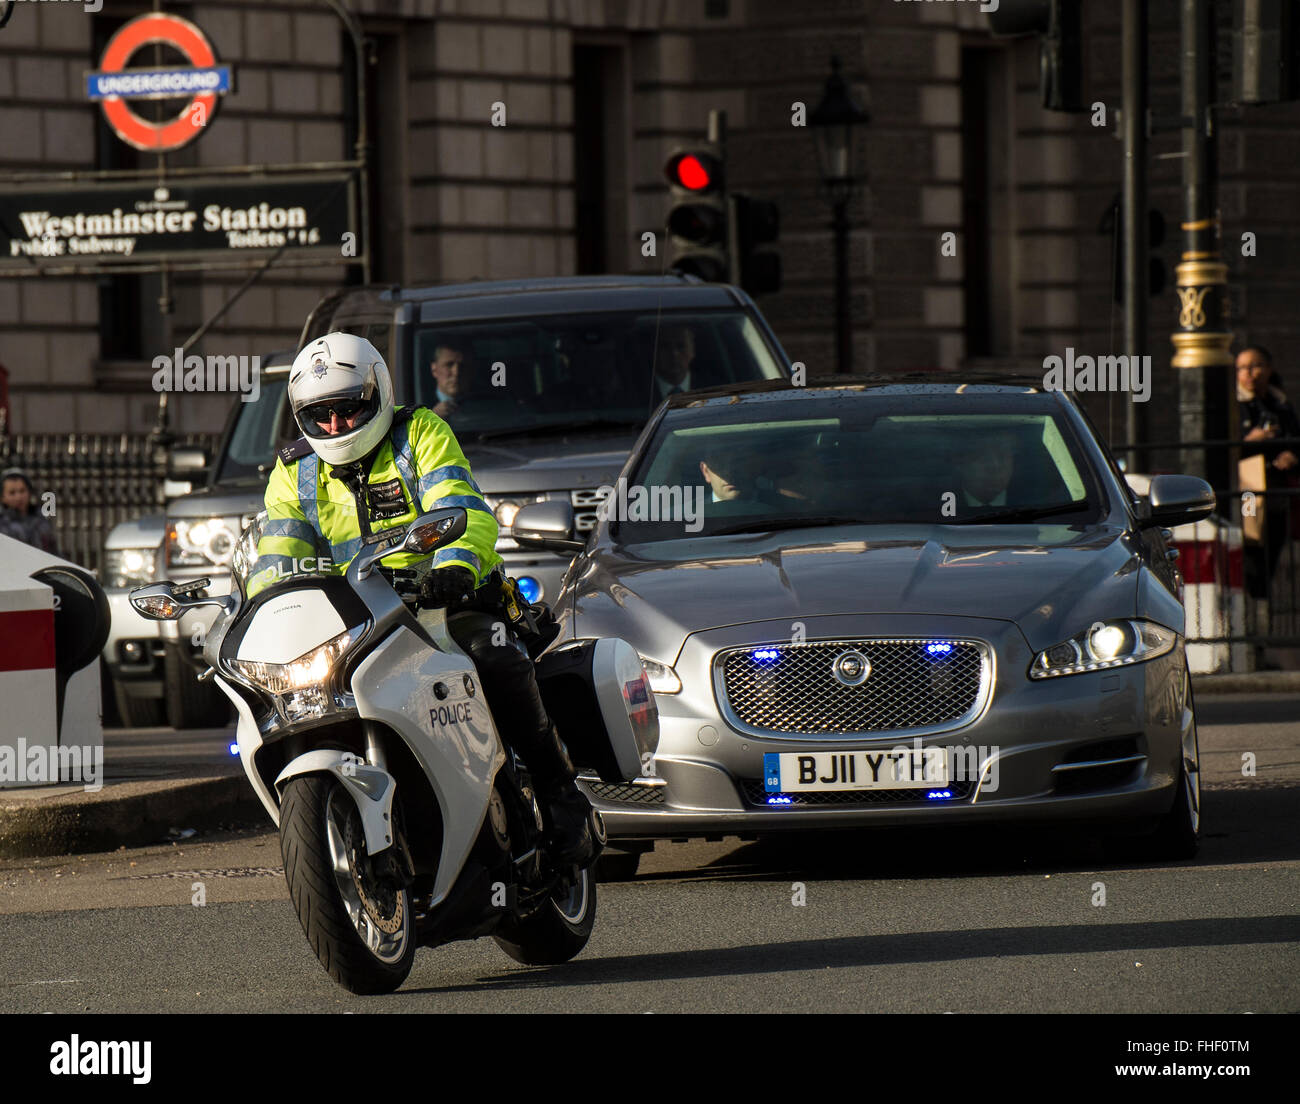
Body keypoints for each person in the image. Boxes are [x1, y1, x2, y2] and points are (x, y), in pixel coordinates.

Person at [253, 332, 596, 865]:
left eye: (348, 409)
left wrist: (454, 567)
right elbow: (277, 554)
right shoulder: (293, 468)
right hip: (356, 617)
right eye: (320, 415)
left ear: (378, 396)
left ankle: (560, 796)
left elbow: (463, 506)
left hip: (445, 600)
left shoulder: (418, 433)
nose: (336, 426)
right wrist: (267, 610)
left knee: (492, 655)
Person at [1236, 344, 1300, 597]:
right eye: (1242, 368)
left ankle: (1262, 600)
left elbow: (1296, 437)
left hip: (1276, 487)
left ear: (1269, 369)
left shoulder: (1280, 403)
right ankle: (1252, 598)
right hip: (1248, 487)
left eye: (1256, 366)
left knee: (1274, 540)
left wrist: (1291, 455)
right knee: (1252, 541)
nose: (1250, 373)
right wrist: (1250, 440)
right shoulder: (1236, 405)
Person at [0, 467, 58, 554]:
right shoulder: (2, 524)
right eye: (12, 493)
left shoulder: (41, 520)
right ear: (2, 498)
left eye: (22, 491)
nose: (18, 497)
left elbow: (54, 551)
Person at [652, 324, 697, 402]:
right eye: (665, 346)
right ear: (654, 351)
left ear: (692, 351)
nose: (674, 353)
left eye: (681, 346)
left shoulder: (715, 389)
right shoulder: (632, 392)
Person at [429, 340, 471, 419]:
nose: (456, 372)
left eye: (462, 366)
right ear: (434, 369)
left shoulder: (485, 404)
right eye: (449, 365)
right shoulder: (415, 404)